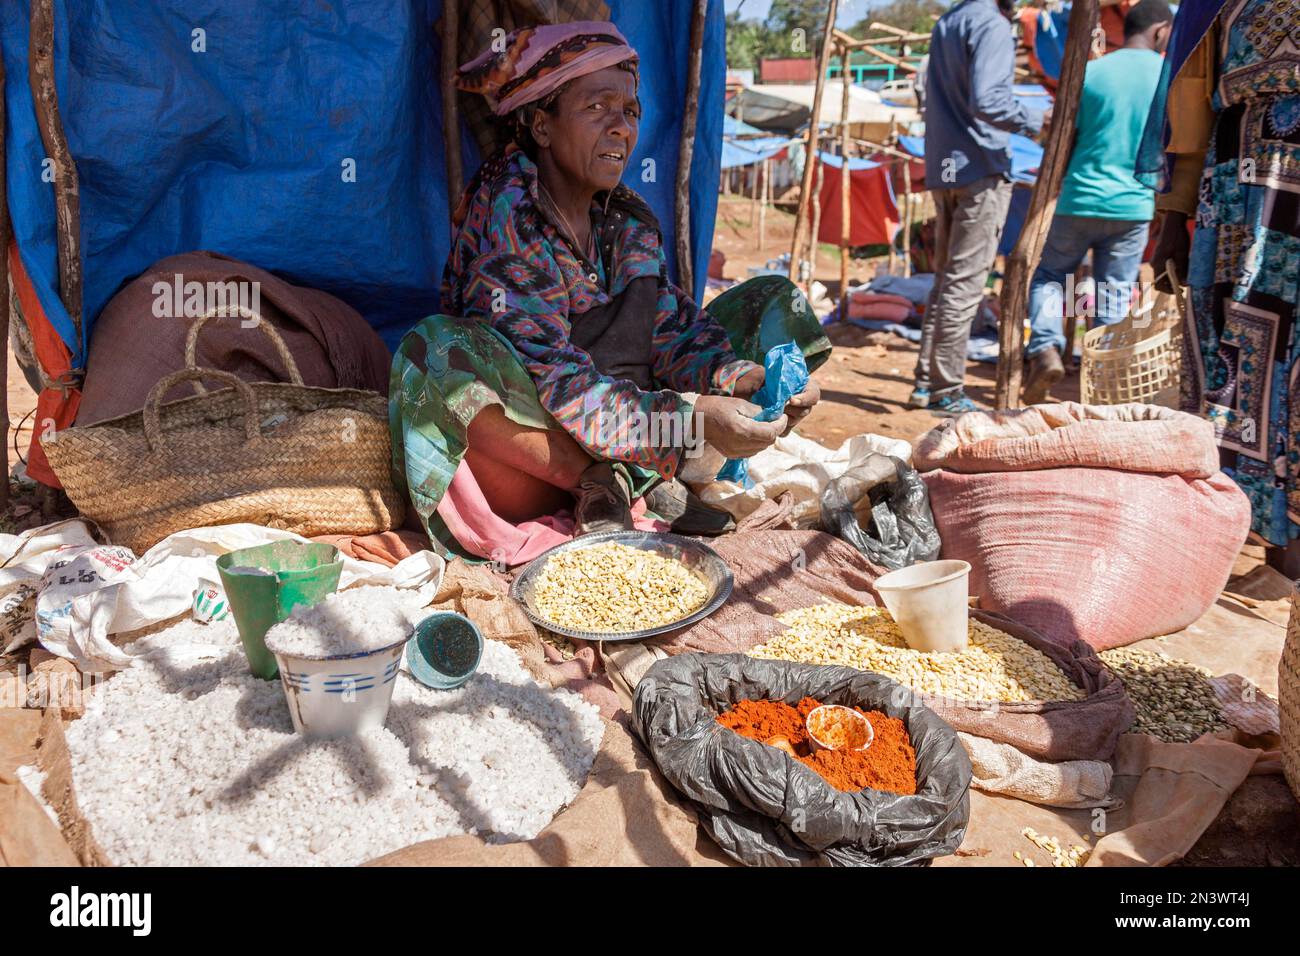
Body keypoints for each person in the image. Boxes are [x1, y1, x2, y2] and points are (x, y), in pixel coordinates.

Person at [390, 22, 829, 558]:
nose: (621, 127)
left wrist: (746, 379)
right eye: (598, 107)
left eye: (631, 111)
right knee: (435, 353)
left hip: (631, 415)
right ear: (541, 125)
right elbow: (559, 382)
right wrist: (685, 422)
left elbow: (669, 326)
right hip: (543, 443)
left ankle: (645, 476)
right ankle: (602, 481)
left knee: (772, 304)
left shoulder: (624, 219)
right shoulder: (508, 215)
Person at [1141, 0, 1300, 570]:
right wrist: (1172, 218)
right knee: (1232, 360)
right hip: (1231, 178)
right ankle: (1247, 529)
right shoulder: (1218, 4)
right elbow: (1192, 105)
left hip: (1284, 187)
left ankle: (1291, 555)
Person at [1021, 0, 1174, 404]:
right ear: (1160, 31)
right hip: (1134, 206)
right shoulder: (1168, 77)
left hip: (1079, 197)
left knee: (1052, 276)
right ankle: (1101, 383)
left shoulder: (1091, 72)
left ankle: (1045, 348)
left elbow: (1062, 136)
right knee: (1113, 294)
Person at [914, 0, 1045, 415]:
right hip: (978, 166)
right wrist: (1038, 120)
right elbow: (990, 100)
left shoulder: (948, 22)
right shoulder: (990, 25)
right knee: (965, 282)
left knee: (946, 279)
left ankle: (926, 382)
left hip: (947, 165)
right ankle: (946, 390)